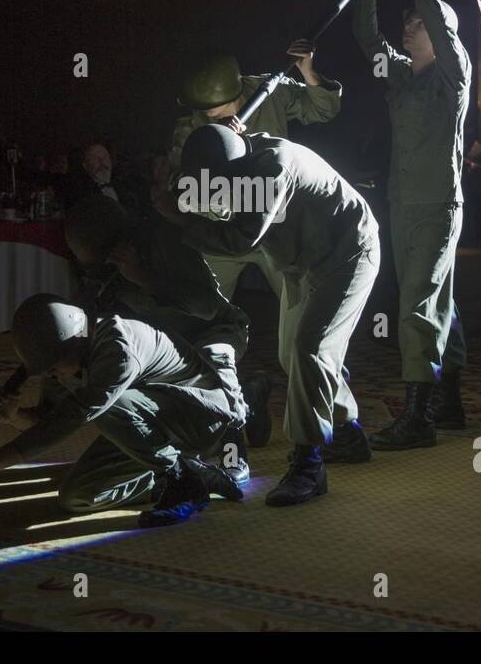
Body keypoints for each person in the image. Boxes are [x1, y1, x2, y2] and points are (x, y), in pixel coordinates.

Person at [158, 124, 380, 507]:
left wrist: (180, 220)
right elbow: (217, 191)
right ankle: (346, 432)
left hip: (348, 256)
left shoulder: (273, 169)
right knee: (291, 356)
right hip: (304, 261)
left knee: (310, 348)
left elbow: (241, 239)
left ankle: (310, 465)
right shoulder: (239, 151)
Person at [0, 294, 247, 527]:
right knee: (77, 497)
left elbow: (68, 422)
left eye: (53, 366)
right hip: (145, 426)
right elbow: (46, 420)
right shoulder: (66, 360)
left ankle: (182, 480)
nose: (50, 374)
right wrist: (14, 416)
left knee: (103, 406)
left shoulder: (117, 350)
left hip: (198, 417)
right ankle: (190, 473)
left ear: (76, 344)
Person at [351, 0, 470, 448]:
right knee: (437, 299)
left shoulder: (452, 73)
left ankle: (419, 416)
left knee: (417, 304)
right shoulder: (400, 76)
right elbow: (366, 39)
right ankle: (449, 401)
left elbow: (441, 20)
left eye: (416, 21)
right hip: (404, 203)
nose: (409, 27)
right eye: (407, 20)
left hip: (437, 204)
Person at [64, 193, 271, 452]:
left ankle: (235, 440)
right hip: (170, 348)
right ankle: (246, 398)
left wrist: (144, 278)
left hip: (214, 331)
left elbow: (205, 308)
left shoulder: (164, 240)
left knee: (215, 371)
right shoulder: (105, 274)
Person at [169, 42, 341, 301]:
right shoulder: (190, 128)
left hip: (275, 224)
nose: (205, 112)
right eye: (200, 107)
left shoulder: (269, 90)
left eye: (212, 107)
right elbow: (183, 190)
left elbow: (324, 110)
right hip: (223, 230)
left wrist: (308, 72)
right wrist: (219, 145)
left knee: (300, 303)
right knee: (207, 306)